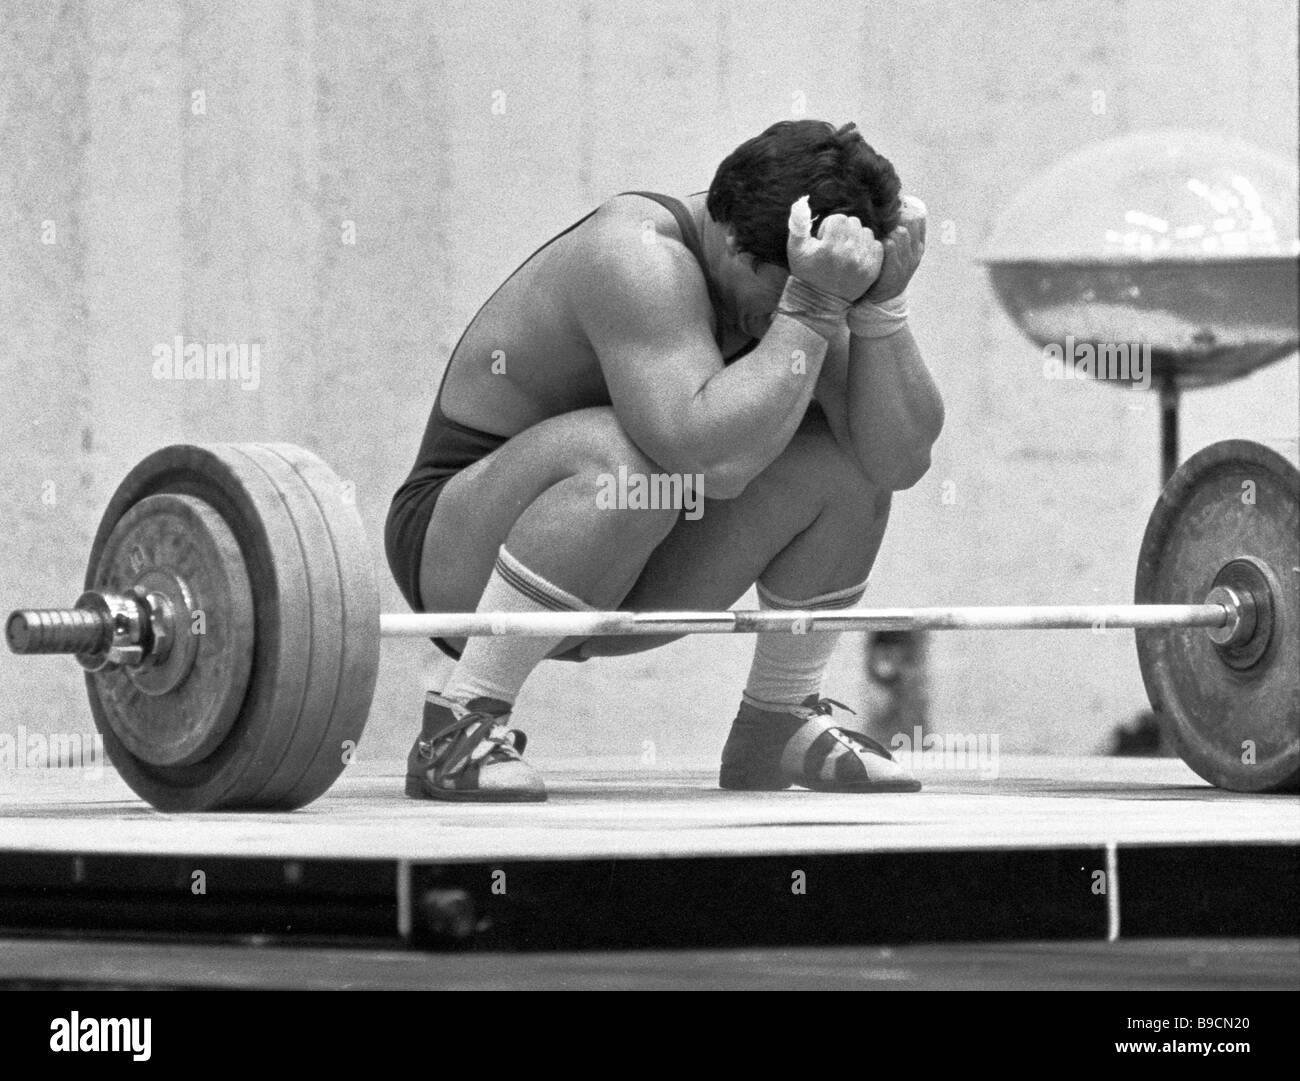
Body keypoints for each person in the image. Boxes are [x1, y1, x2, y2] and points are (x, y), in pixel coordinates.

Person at [385, 119, 943, 802]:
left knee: (842, 461)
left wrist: (882, 308)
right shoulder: (636, 255)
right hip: (459, 560)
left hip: (620, 568)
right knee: (631, 462)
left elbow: (899, 459)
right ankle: (460, 717)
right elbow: (711, 463)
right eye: (776, 301)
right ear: (734, 242)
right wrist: (812, 308)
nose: (773, 325)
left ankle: (779, 717)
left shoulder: (798, 285)